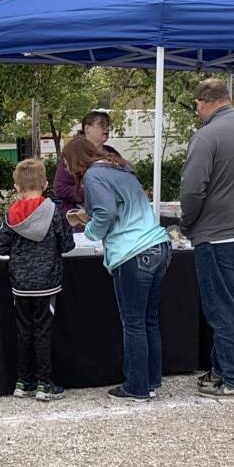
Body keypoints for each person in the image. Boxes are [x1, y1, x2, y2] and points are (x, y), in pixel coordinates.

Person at [178, 78, 234, 397]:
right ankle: (219, 369)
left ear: (204, 102)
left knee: (222, 310)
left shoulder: (206, 136)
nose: (197, 111)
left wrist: (186, 223)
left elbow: (192, 190)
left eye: (196, 106)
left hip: (218, 237)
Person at [66, 137, 171, 402]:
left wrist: (89, 230)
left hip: (132, 251)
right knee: (149, 319)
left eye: (66, 162)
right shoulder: (120, 169)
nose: (66, 169)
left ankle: (136, 386)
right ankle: (151, 379)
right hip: (158, 245)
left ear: (76, 160)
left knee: (133, 322)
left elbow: (106, 213)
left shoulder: (93, 176)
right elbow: (118, 208)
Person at [0, 158, 74, 402]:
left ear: (16, 187)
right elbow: (68, 244)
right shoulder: (54, 213)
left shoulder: (11, 215)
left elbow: (2, 246)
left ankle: (22, 381)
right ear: (46, 184)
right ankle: (44, 382)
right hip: (47, 282)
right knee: (43, 332)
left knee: (23, 332)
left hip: (20, 284)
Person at [53, 110, 119, 221]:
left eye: (108, 125)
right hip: (79, 222)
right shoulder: (74, 152)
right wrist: (92, 193)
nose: (106, 128)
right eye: (102, 124)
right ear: (87, 129)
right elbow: (59, 188)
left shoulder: (112, 153)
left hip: (110, 218)